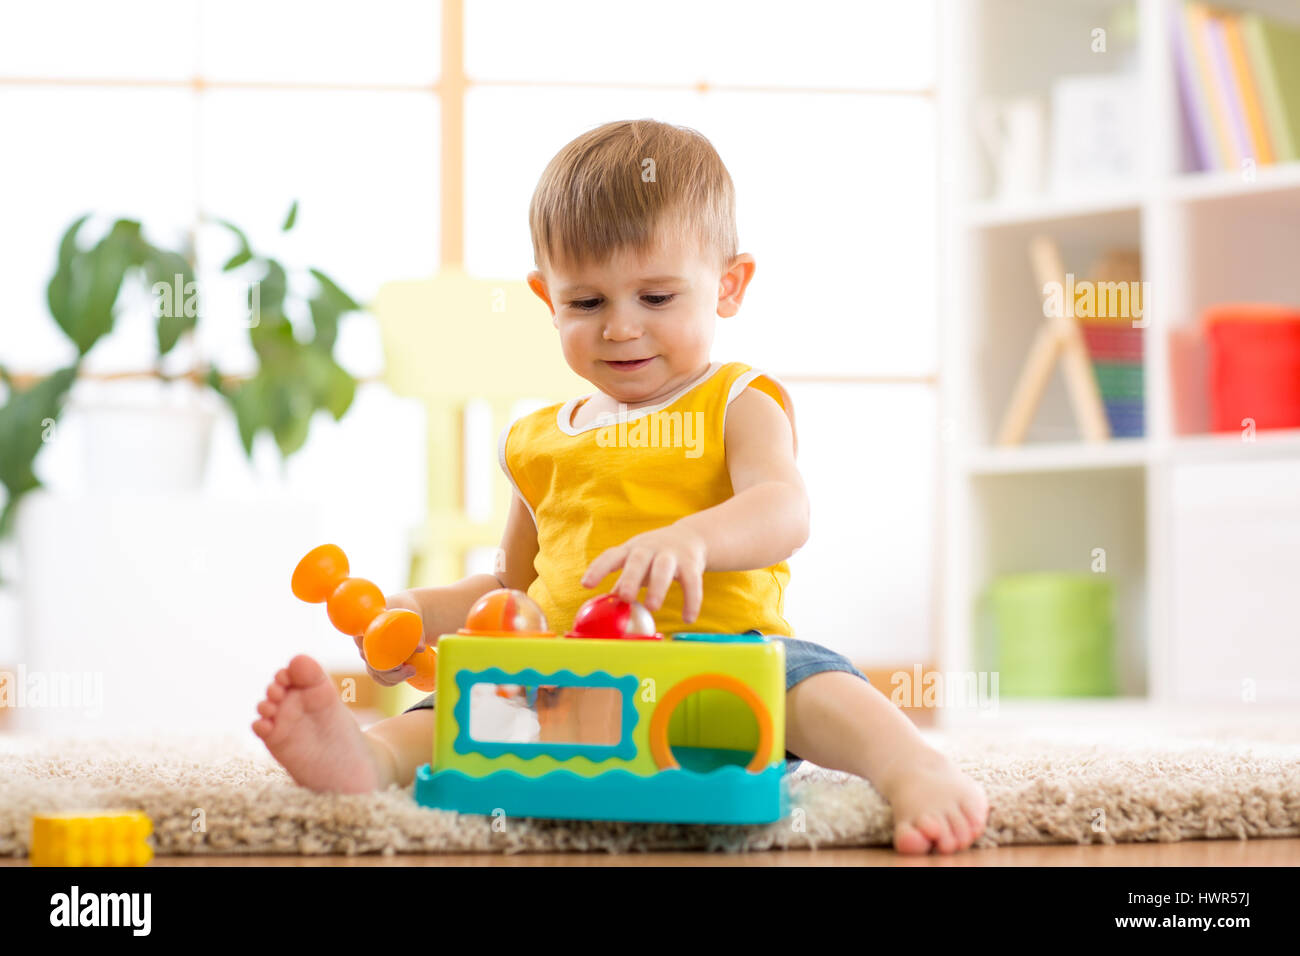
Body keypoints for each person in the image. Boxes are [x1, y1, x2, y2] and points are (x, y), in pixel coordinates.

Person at [253, 119, 988, 854]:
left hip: (714, 660)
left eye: (657, 298)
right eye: (587, 303)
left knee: (810, 682)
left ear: (729, 286)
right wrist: (418, 612)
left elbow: (785, 509)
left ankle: (911, 766)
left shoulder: (737, 399)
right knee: (458, 705)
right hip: (569, 675)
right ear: (547, 300)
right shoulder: (537, 439)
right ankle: (369, 758)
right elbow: (512, 582)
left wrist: (693, 536)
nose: (620, 328)